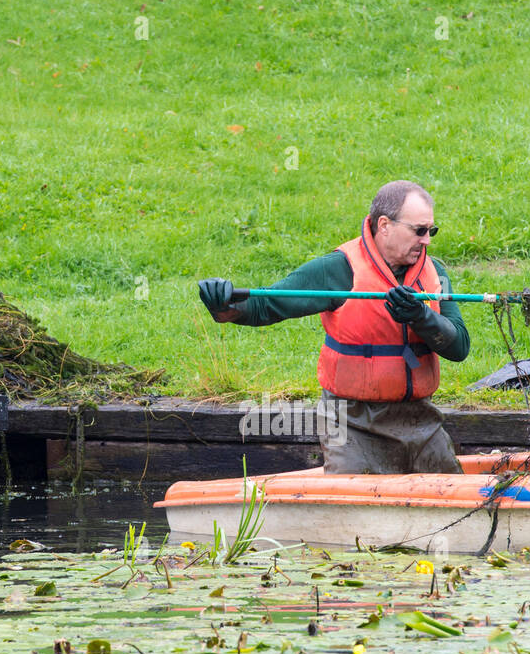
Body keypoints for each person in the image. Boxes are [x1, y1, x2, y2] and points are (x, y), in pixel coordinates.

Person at [198, 180, 470, 475]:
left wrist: (422, 316)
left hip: (421, 421)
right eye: (419, 230)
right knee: (356, 505)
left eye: (431, 230)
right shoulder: (338, 270)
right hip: (351, 423)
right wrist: (222, 305)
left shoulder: (435, 274)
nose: (427, 240)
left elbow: (459, 348)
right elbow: (267, 305)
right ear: (385, 225)